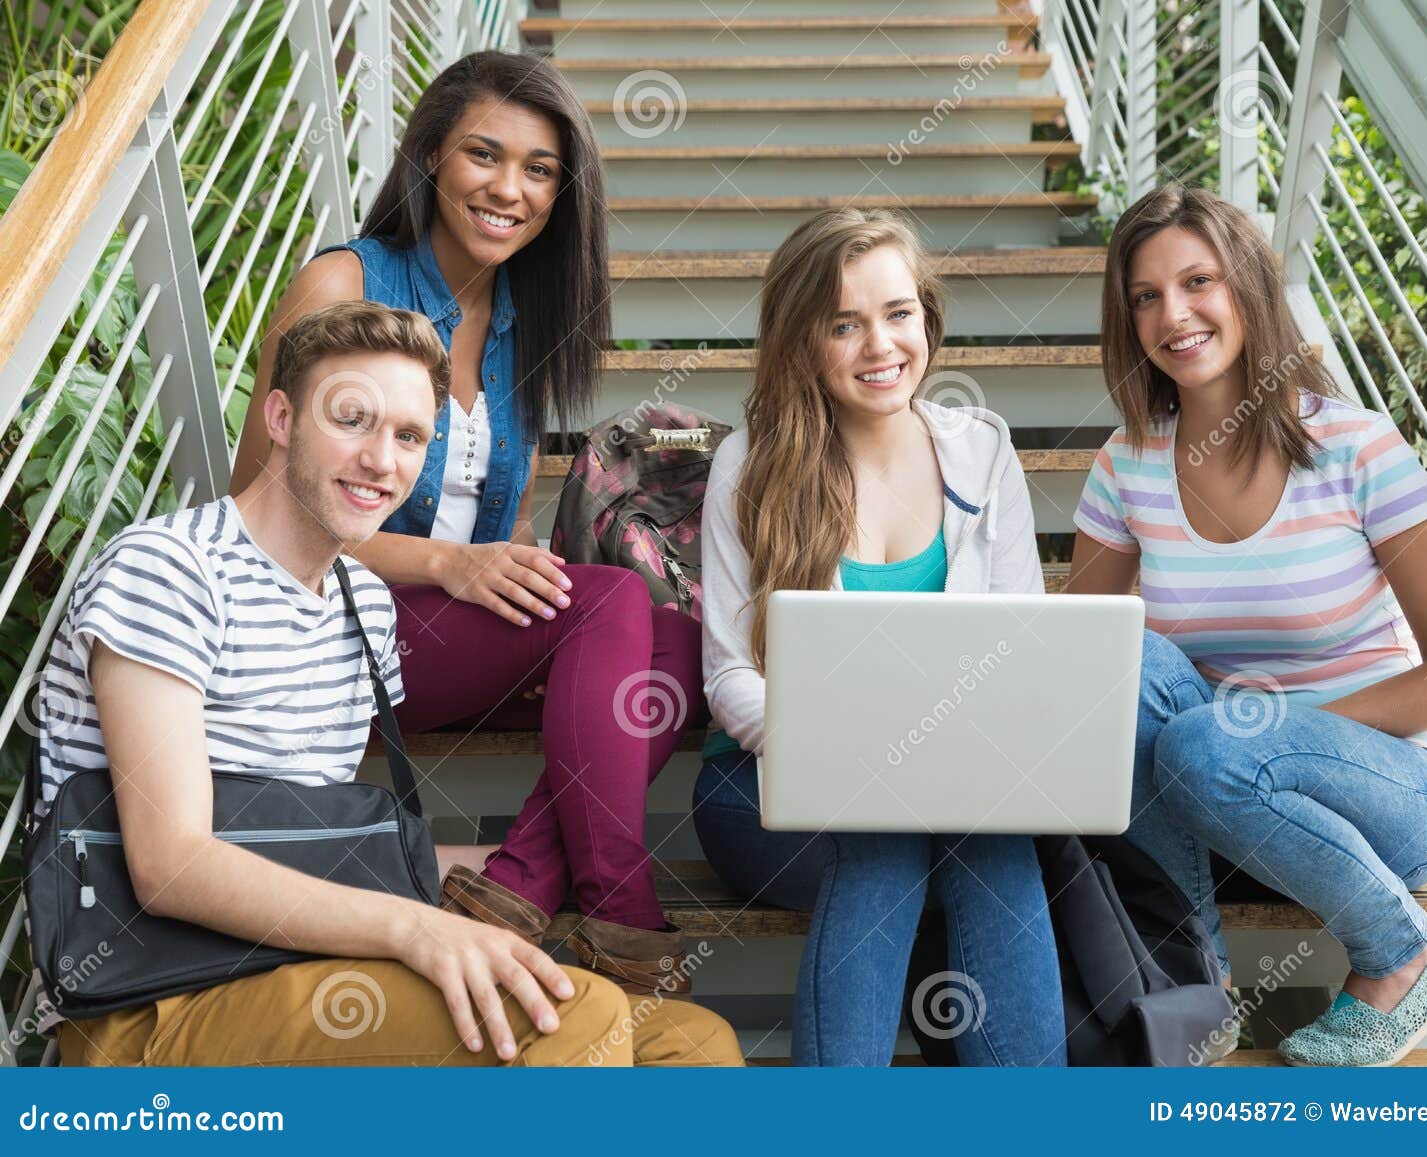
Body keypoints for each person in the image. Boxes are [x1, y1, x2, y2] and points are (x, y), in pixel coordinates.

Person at [38, 301, 740, 1067]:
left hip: (301, 968)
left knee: (692, 1040)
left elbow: (307, 840)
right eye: (352, 419)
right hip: (153, 999)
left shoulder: (361, 603)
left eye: (409, 436)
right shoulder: (170, 569)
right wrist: (417, 926)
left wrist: (516, 864)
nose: (381, 459)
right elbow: (171, 863)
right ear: (280, 417)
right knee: (579, 1016)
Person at [229, 52, 702, 992]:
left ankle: (520, 878)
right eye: (484, 155)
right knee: (611, 604)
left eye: (539, 169)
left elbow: (503, 519)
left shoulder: (528, 314)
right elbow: (260, 506)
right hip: (325, 630)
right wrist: (449, 562)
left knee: (676, 639)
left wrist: (502, 565)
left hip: (433, 632)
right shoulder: (343, 283)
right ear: (432, 157)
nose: (509, 188)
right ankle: (617, 906)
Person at [1069, 184, 1427, 1066]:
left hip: (1390, 792)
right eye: (1145, 296)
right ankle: (1197, 982)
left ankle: (1405, 952)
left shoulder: (1357, 448)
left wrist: (1266, 729)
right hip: (1220, 806)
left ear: (1249, 290)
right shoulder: (1128, 463)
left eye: (1198, 282)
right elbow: (1085, 665)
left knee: (1204, 744)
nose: (1172, 315)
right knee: (1130, 664)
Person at [693, 209, 1068, 1067]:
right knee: (890, 831)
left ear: (926, 319)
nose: (880, 345)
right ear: (801, 340)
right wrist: (861, 759)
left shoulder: (982, 449)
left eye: (898, 314)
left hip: (952, 779)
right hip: (766, 786)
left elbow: (1019, 652)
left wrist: (927, 762)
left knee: (991, 835)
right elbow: (728, 678)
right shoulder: (748, 465)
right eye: (843, 323)